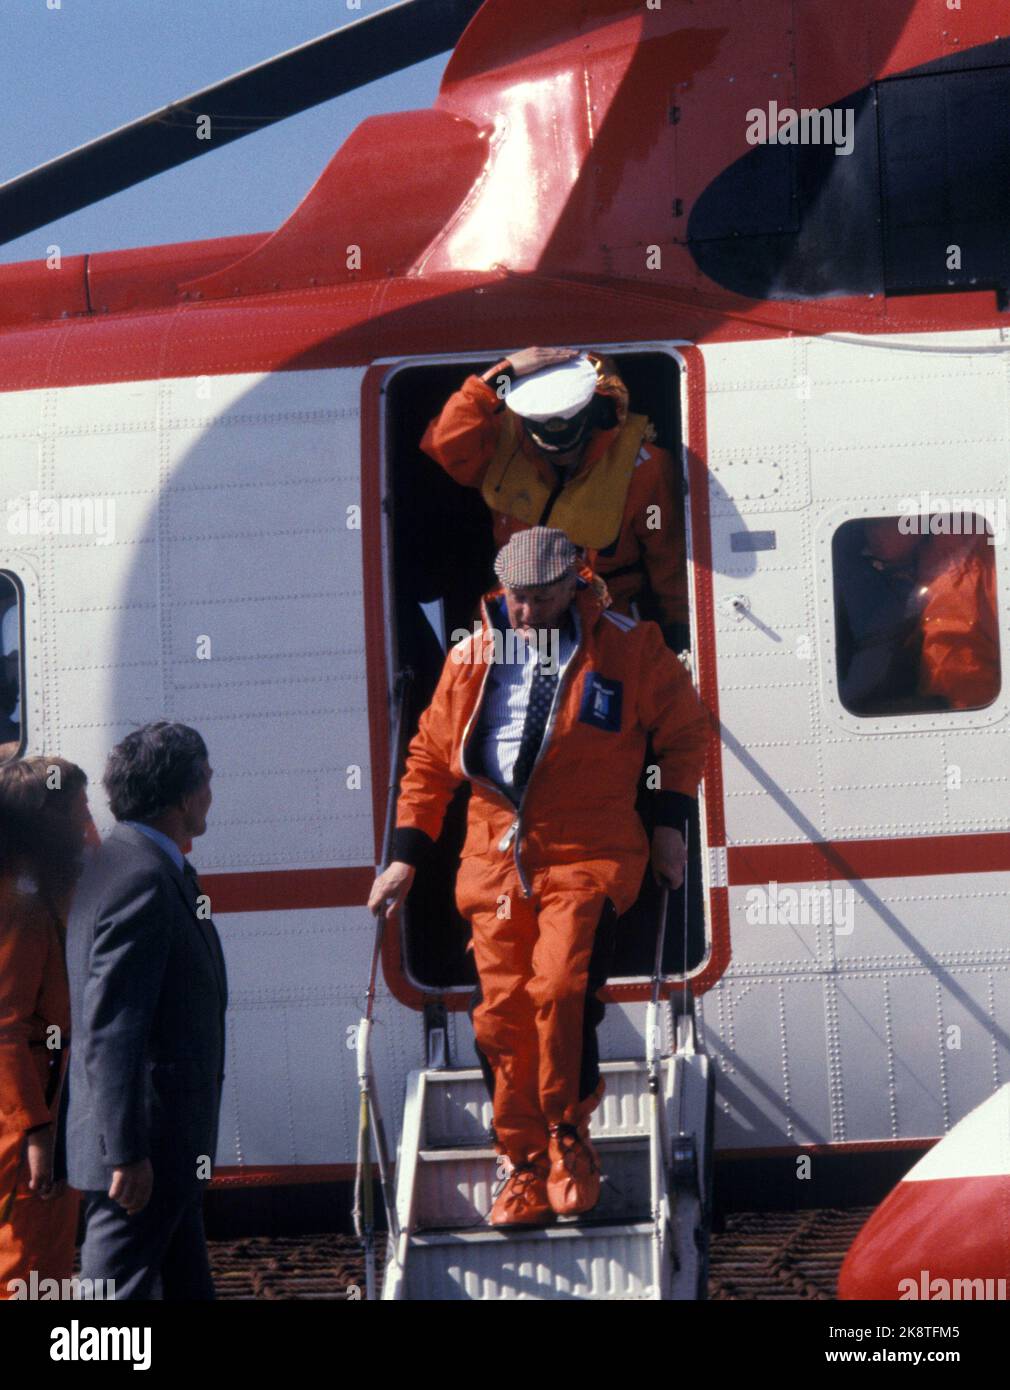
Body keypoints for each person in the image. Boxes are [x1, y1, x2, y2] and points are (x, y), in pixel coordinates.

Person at [369, 528, 710, 1226]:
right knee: (500, 1016)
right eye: (516, 599)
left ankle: (567, 1139)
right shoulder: (472, 656)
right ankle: (519, 1162)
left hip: (590, 853)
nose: (526, 613)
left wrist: (671, 824)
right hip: (492, 860)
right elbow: (431, 761)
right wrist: (405, 854)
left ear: (575, 582)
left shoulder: (629, 647)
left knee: (559, 988)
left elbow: (686, 732)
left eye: (541, 598)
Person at [65, 721, 227, 1300]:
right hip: (144, 1153)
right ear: (185, 797)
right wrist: (127, 1151)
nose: (212, 790)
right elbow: (113, 1029)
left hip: (168, 1148)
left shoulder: (135, 866)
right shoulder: (143, 879)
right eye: (206, 779)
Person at [421, 347, 690, 649]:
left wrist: (678, 627)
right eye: (549, 447)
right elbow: (445, 441)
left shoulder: (645, 468)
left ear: (594, 418)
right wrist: (501, 376)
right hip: (515, 613)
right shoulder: (501, 448)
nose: (563, 456)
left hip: (605, 617)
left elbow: (669, 557)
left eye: (571, 445)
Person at [0, 756, 95, 1298]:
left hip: (50, 1106)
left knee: (48, 1263)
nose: (89, 827)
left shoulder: (45, 890)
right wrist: (36, 1132)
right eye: (79, 813)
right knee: (27, 1262)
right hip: (29, 1121)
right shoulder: (20, 906)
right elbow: (4, 1031)